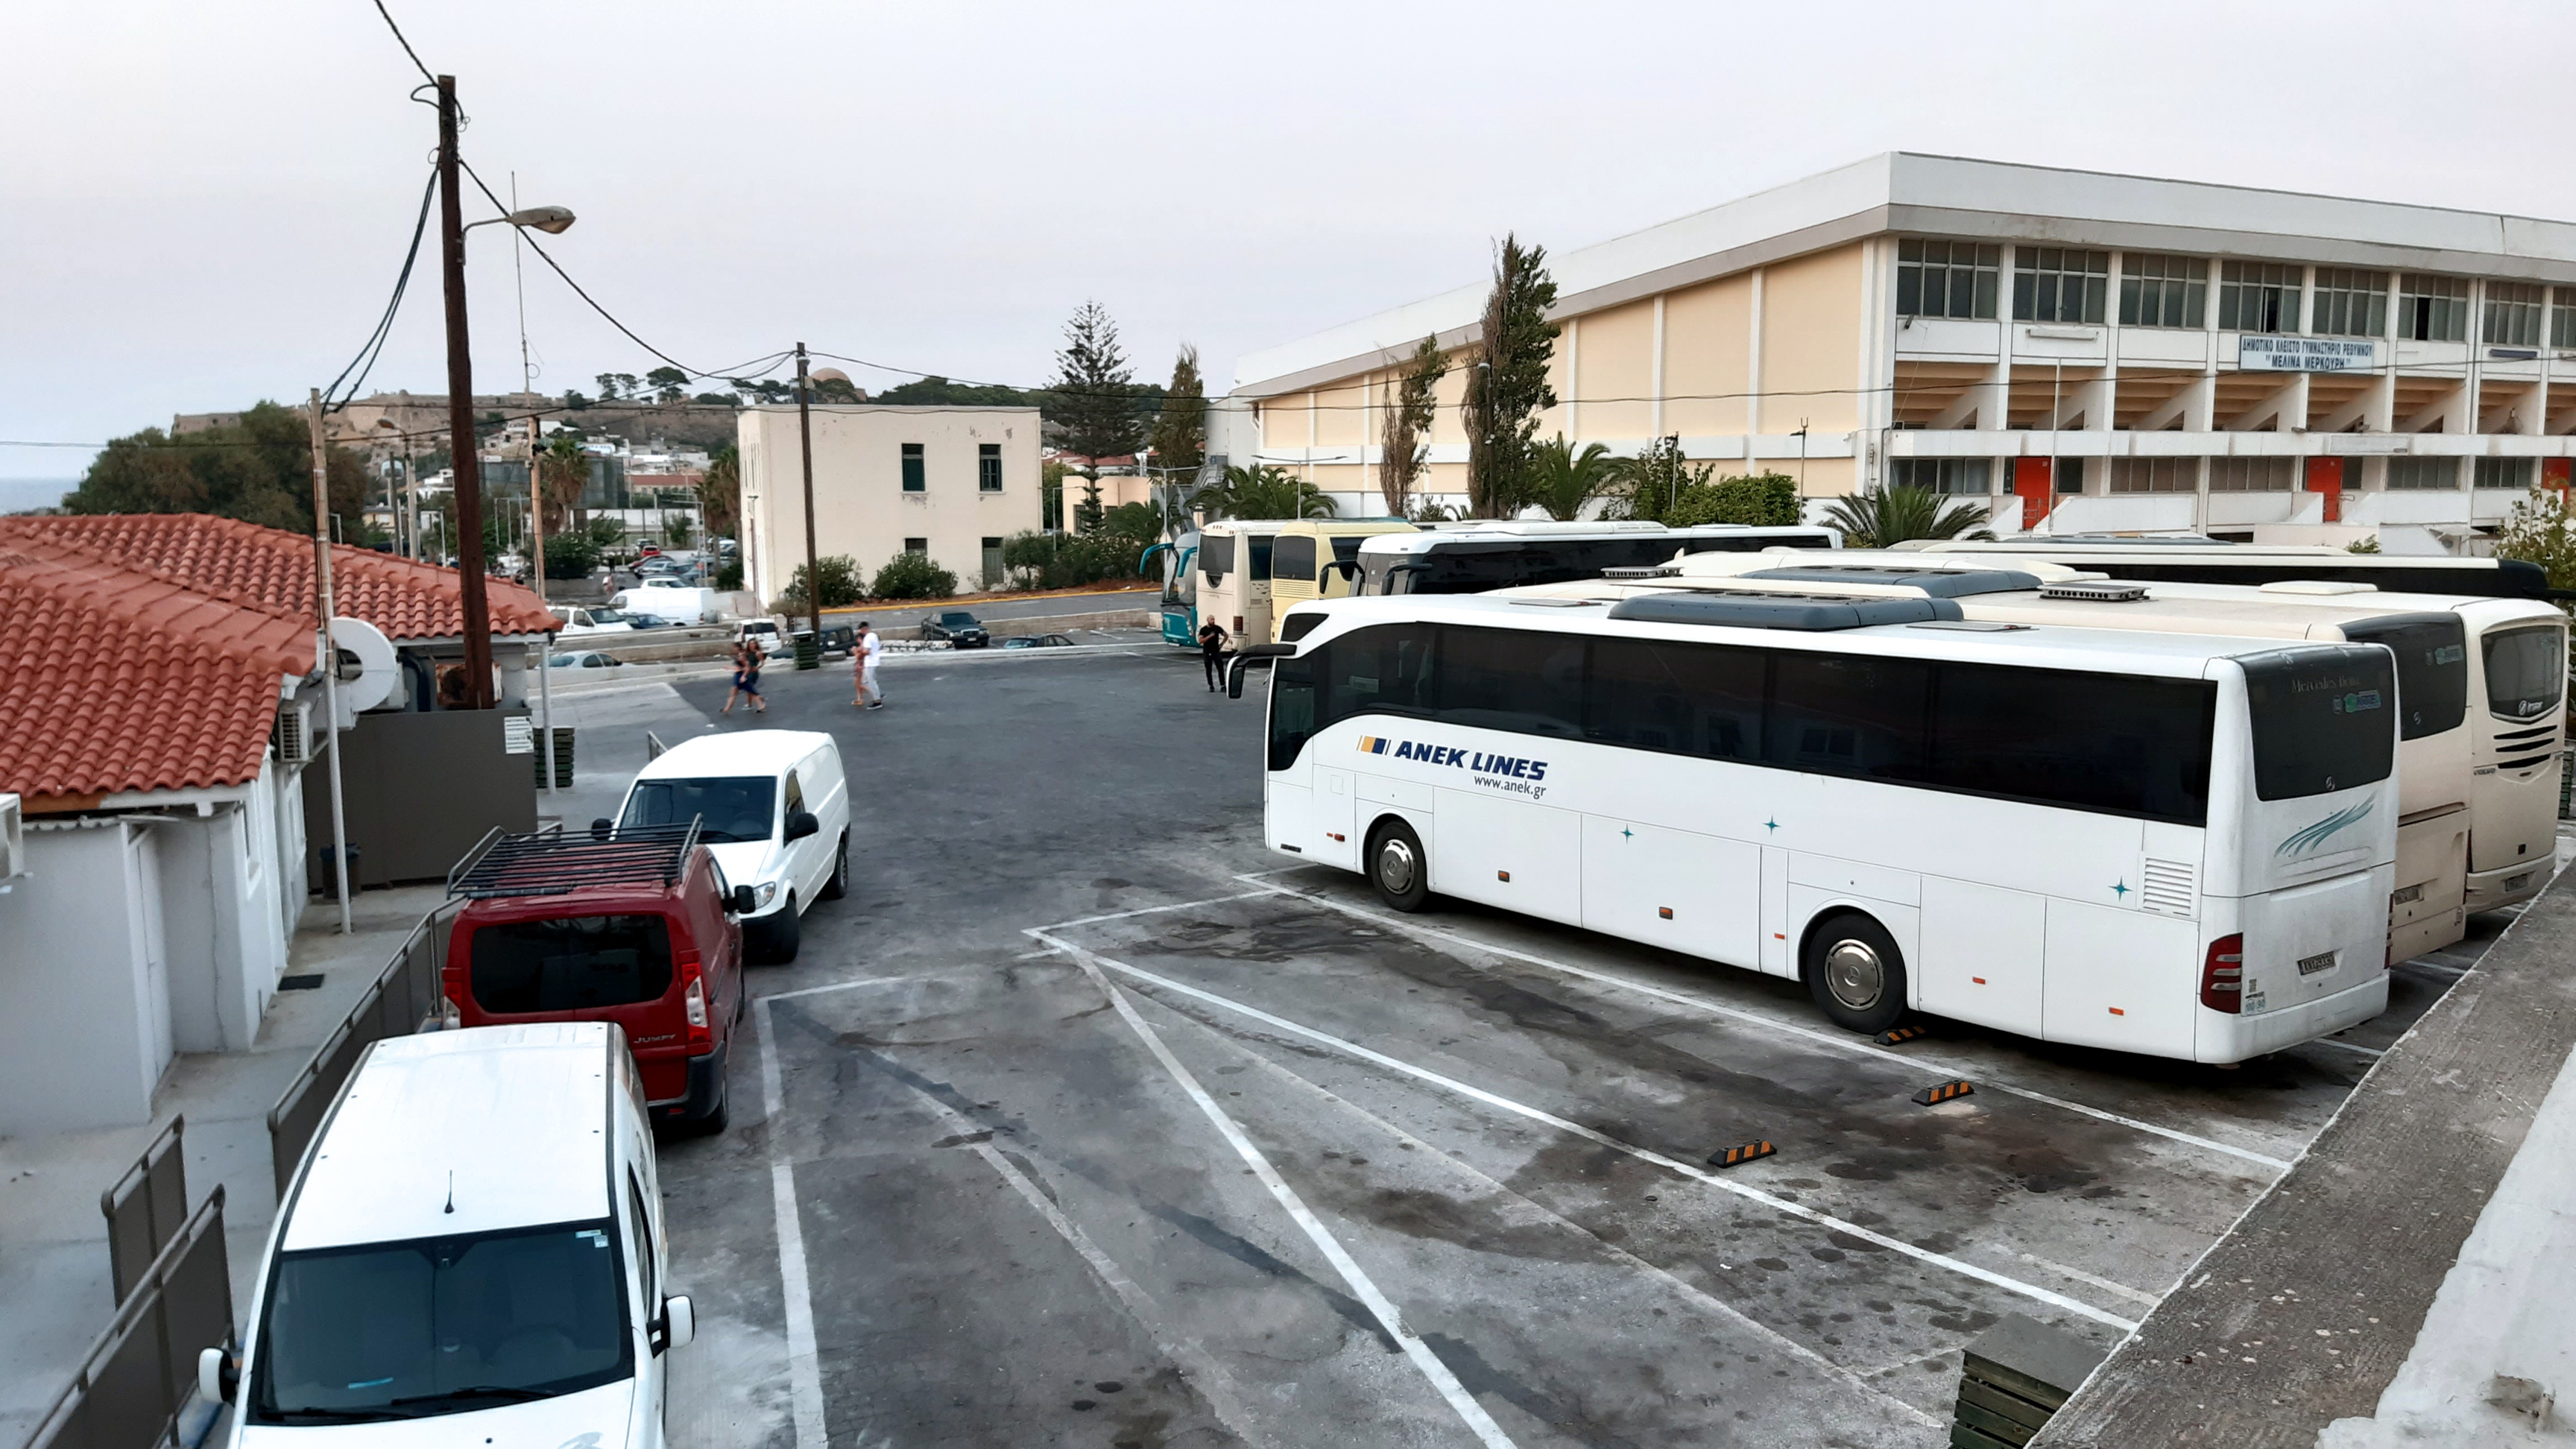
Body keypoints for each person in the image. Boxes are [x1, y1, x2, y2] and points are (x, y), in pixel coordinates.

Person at [724, 638, 766, 716]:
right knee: (749, 690)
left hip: (752, 673)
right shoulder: (746, 653)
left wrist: (757, 668)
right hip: (745, 672)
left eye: (754, 644)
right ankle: (756, 702)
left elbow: (762, 662)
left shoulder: (757, 653)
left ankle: (756, 703)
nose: (752, 645)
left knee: (749, 690)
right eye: (750, 644)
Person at [855, 620, 884, 710]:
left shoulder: (867, 638)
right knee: (866, 680)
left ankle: (877, 700)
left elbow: (867, 651)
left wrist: (860, 653)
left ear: (864, 629)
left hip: (870, 662)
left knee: (870, 681)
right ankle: (877, 694)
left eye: (861, 630)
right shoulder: (874, 635)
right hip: (874, 660)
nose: (861, 632)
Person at [1198, 619, 1228, 693]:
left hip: (1216, 651)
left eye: (1214, 620)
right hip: (1207, 651)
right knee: (1209, 669)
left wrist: (1221, 644)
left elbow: (1226, 635)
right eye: (1211, 620)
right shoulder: (1203, 630)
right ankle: (1211, 685)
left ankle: (1223, 685)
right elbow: (1200, 641)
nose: (1213, 621)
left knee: (1220, 668)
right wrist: (1210, 636)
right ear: (1207, 620)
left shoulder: (1217, 628)